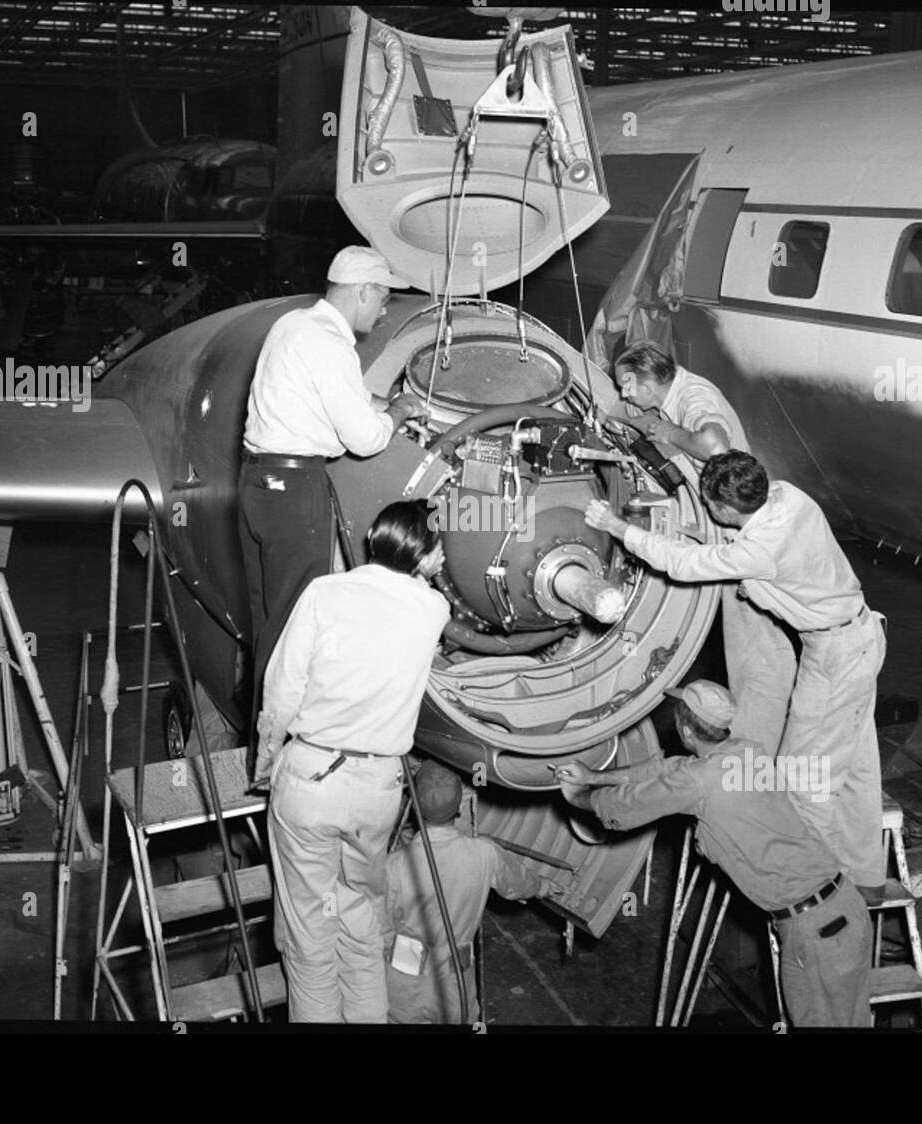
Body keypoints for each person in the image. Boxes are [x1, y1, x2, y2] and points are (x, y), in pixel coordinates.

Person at [585, 450, 888, 900]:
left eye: (712, 508)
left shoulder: (761, 549)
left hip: (834, 659)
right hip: (863, 636)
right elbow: (754, 550)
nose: (711, 514)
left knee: (802, 782)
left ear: (727, 510)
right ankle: (867, 877)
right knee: (858, 769)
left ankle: (820, 889)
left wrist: (619, 528)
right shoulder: (791, 497)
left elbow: (686, 566)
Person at [554, 680, 872, 1028]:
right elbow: (668, 770)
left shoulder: (700, 780)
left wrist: (579, 797)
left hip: (816, 932)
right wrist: (594, 776)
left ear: (686, 729)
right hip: (844, 908)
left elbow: (622, 810)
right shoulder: (747, 753)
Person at [258, 501, 450, 1023]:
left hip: (312, 782)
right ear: (430, 559)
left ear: (372, 536)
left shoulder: (324, 593)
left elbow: (282, 690)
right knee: (359, 922)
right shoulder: (435, 610)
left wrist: (265, 761)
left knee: (310, 934)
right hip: (378, 791)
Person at [238, 245, 426, 769]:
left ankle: (259, 741)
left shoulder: (295, 326)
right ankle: (275, 757)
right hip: (295, 490)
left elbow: (325, 398)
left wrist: (381, 407)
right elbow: (365, 441)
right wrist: (402, 411)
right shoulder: (330, 343)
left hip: (257, 482)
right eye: (383, 297)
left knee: (268, 621)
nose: (384, 309)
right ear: (362, 291)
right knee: (295, 624)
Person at [612, 341, 794, 757]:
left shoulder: (694, 398)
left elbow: (714, 447)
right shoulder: (673, 398)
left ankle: (756, 756)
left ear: (646, 380)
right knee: (746, 653)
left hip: (741, 544)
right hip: (731, 535)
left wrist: (669, 433)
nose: (623, 393)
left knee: (757, 658)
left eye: (626, 385)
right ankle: (752, 747)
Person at [383, 760, 564, 1024]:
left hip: (405, 990)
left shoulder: (395, 865)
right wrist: (544, 887)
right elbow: (520, 884)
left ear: (414, 807)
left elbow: (379, 932)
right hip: (456, 987)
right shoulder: (484, 854)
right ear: (459, 807)